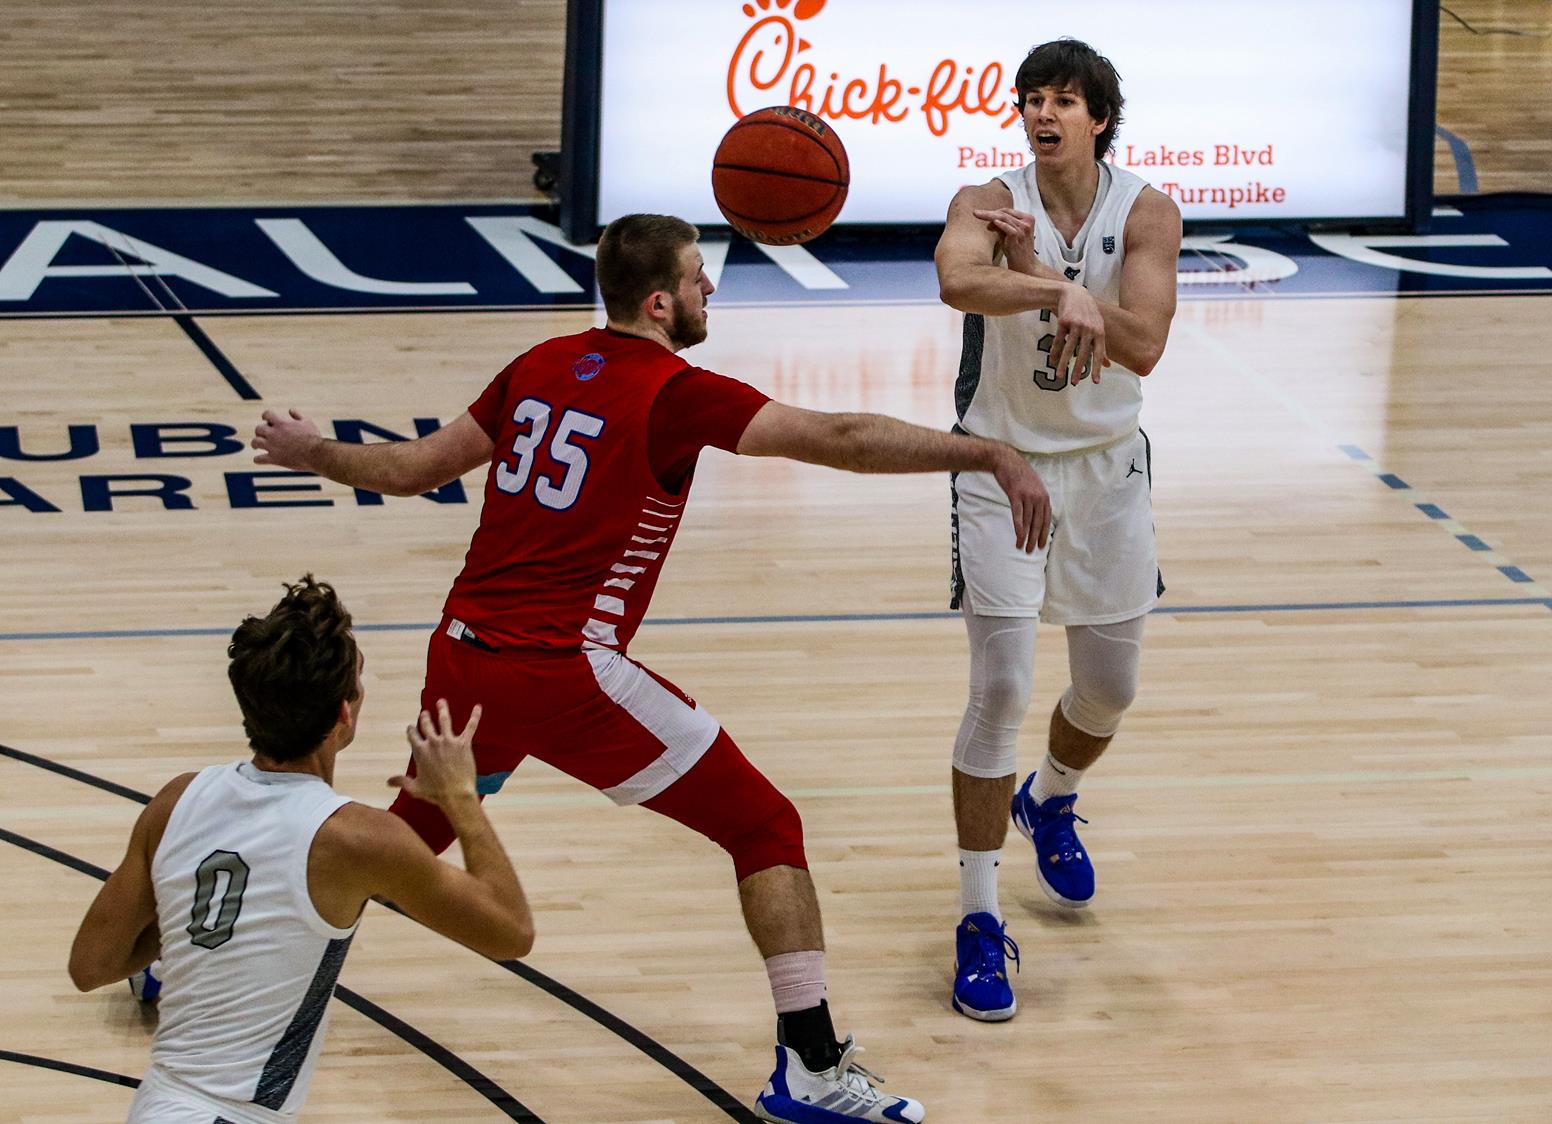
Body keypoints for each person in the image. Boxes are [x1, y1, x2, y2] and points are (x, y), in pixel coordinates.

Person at [249, 213, 1053, 1124]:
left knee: (409, 838)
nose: (712, 290)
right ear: (662, 301)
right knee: (764, 825)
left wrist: (312, 450)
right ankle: (814, 1068)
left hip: (464, 652)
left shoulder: (540, 363)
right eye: (700, 278)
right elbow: (838, 435)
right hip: (563, 671)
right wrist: (985, 452)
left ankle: (217, 944)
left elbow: (409, 469)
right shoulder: (677, 392)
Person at [68, 575, 534, 1124]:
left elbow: (91, 965)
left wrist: (200, 938)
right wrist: (461, 798)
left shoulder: (178, 799)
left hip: (160, 1102)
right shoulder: (356, 839)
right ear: (344, 713)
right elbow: (510, 932)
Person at [931, 38, 1181, 1021]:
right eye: (1032, 97)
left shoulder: (1147, 211)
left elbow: (1146, 343)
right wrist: (1049, 283)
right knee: (999, 683)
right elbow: (958, 279)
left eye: (1063, 99)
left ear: (1098, 117)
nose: (1043, 113)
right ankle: (979, 917)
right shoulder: (985, 199)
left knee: (1108, 688)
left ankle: (1050, 795)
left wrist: (1069, 283)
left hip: (1109, 466)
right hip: (1002, 463)